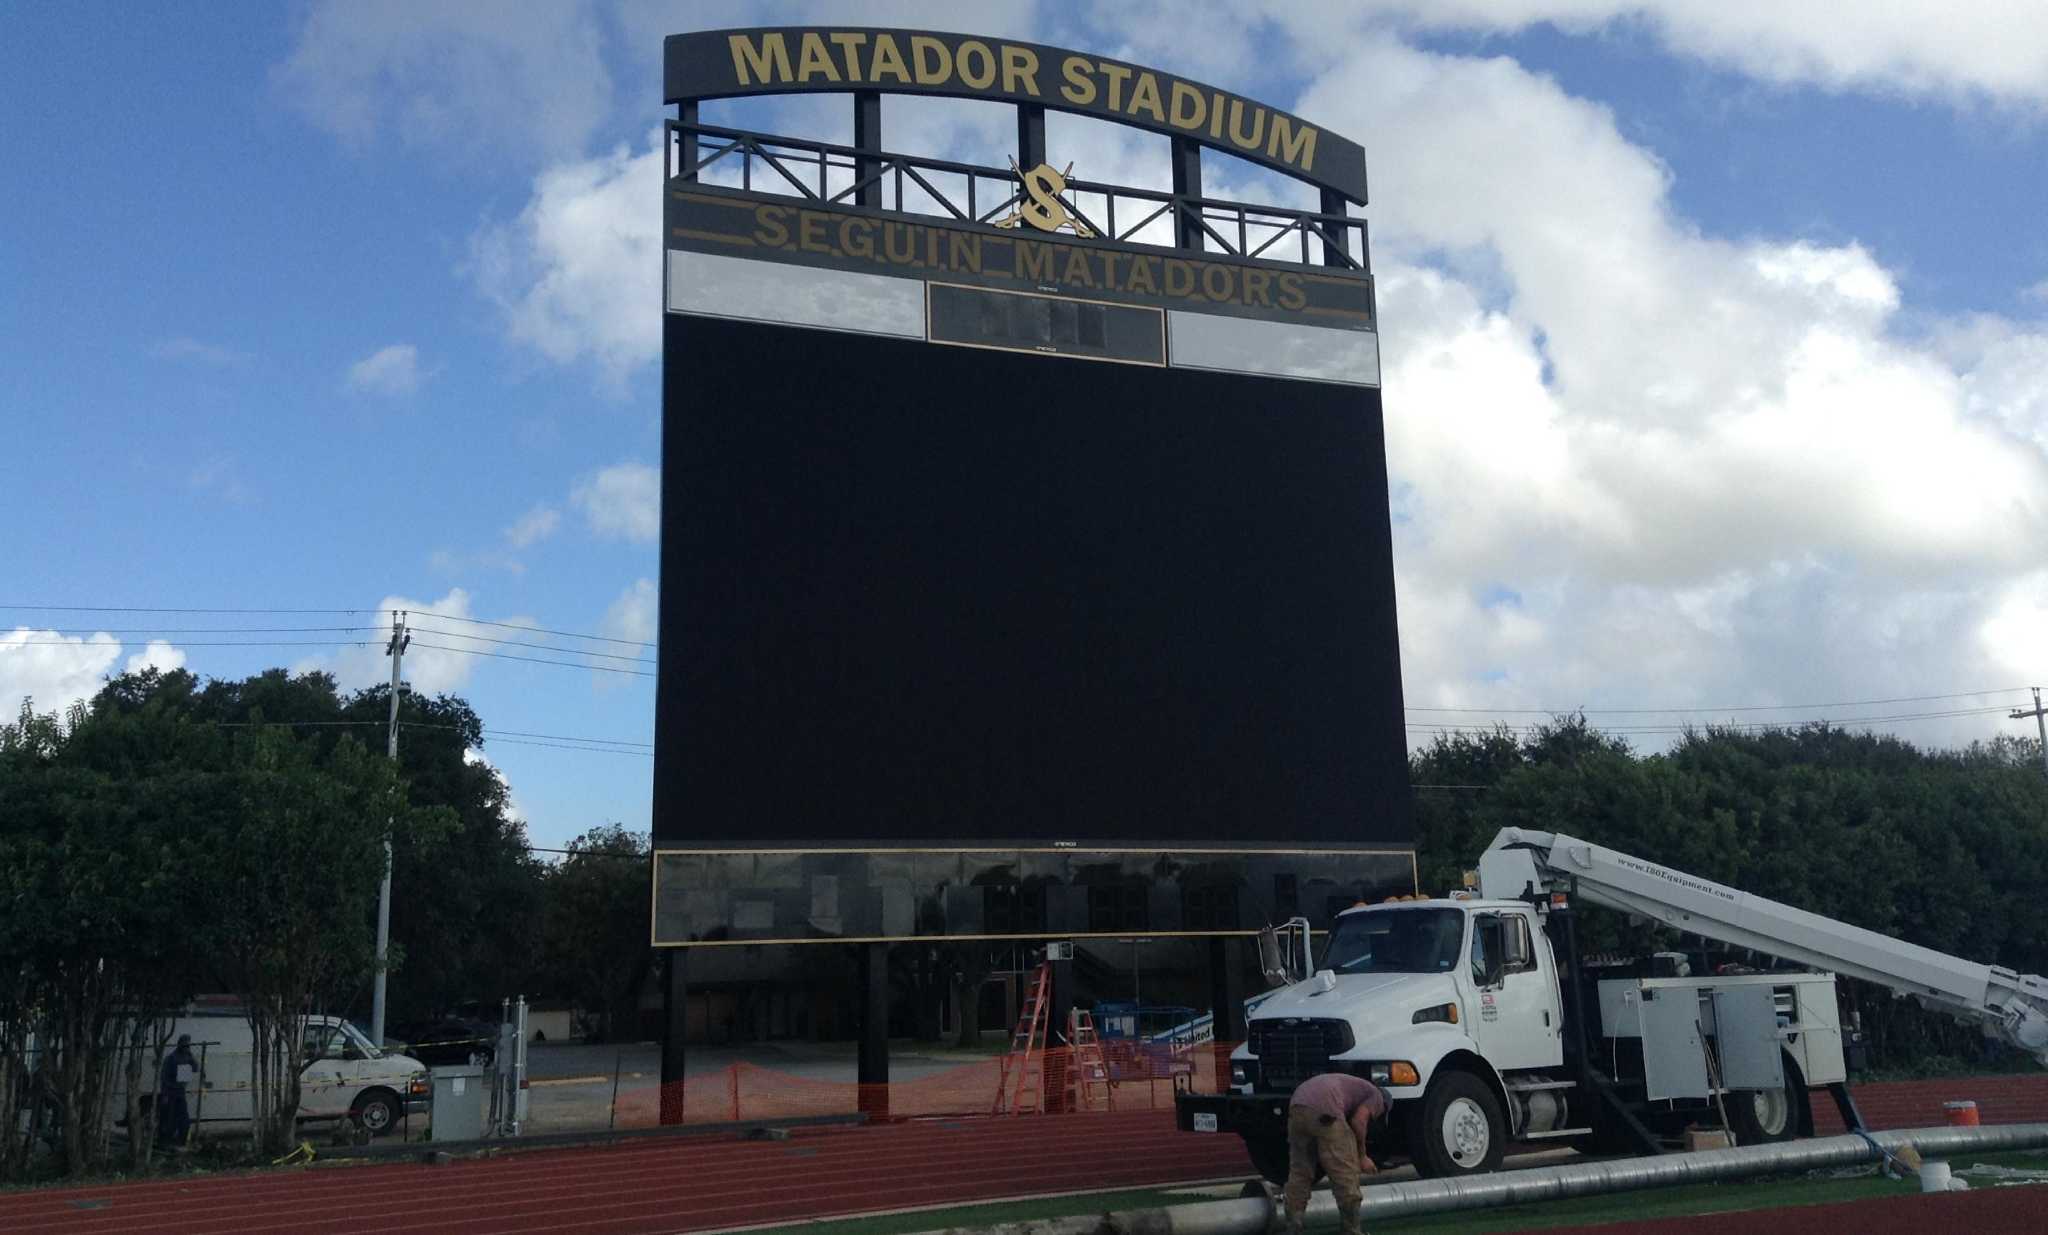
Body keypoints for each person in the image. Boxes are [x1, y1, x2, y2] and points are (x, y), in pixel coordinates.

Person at [1277, 1071, 1389, 1235]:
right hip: (1326, 1110)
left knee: (1300, 1172)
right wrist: (1362, 1155)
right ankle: (1351, 1230)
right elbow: (1358, 1121)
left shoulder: (1352, 1084)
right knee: (1345, 1173)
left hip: (1297, 1107)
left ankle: (1293, 1226)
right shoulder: (1376, 1096)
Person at [157, 1034, 199, 1149]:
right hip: (170, 1091)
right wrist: (165, 1094)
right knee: (169, 1117)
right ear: (180, 1045)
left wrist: (191, 1056)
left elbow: (195, 1068)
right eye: (185, 1045)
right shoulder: (171, 1058)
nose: (186, 1048)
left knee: (183, 1118)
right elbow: (164, 1078)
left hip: (180, 1091)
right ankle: (165, 1141)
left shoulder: (187, 1057)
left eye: (188, 1046)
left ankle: (181, 1140)